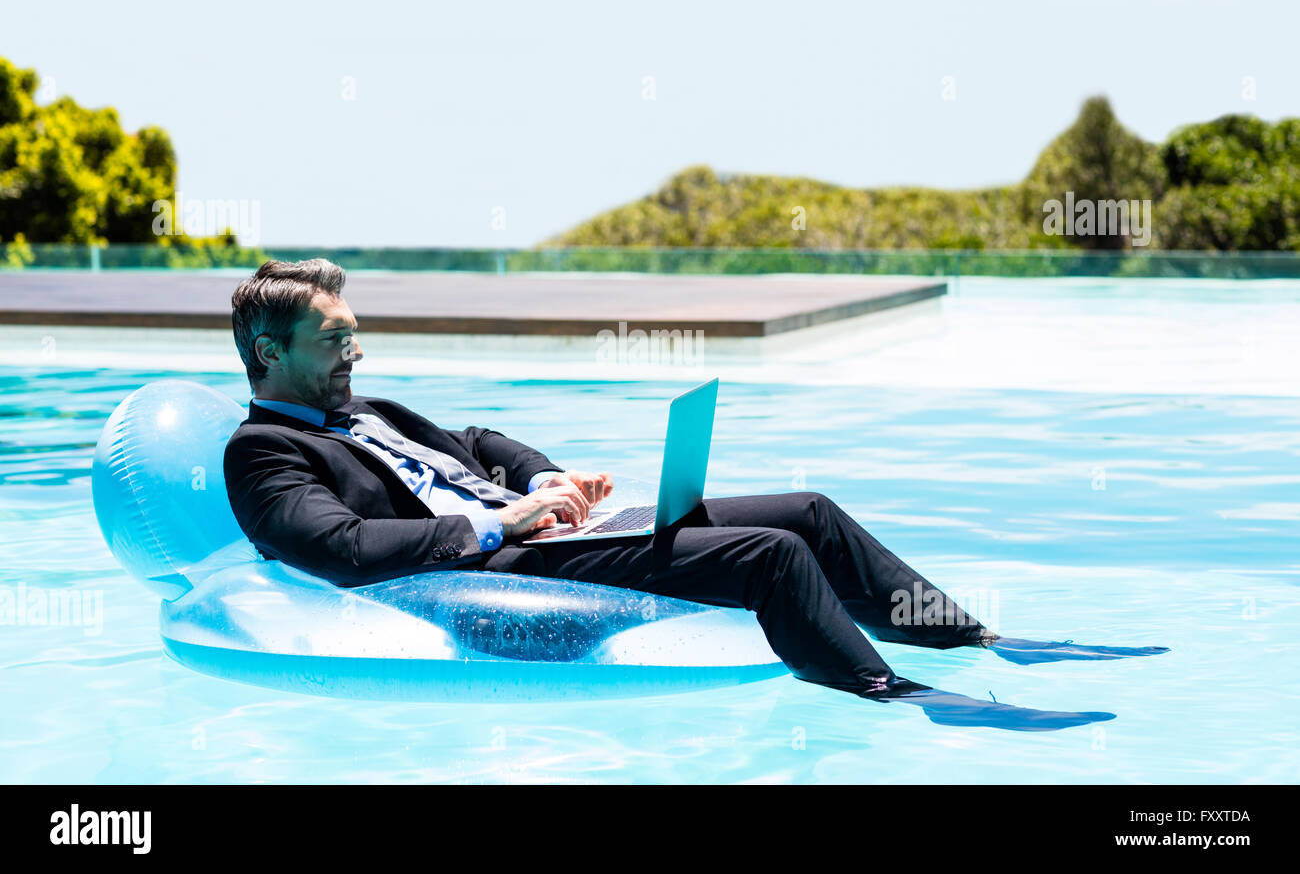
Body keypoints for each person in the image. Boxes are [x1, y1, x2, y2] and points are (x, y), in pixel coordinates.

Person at [224, 259, 1166, 731]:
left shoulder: (370, 408)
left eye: (353, 334)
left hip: (538, 525)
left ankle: (974, 638)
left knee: (809, 510)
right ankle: (905, 693)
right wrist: (499, 520)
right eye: (334, 340)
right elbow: (338, 548)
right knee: (772, 555)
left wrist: (546, 478)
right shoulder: (262, 452)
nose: (355, 352)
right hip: (506, 561)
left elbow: (474, 444)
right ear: (271, 355)